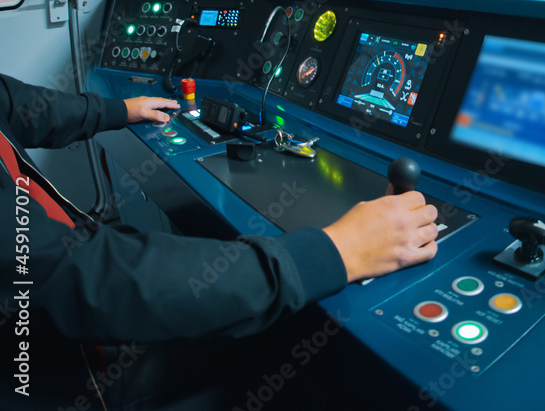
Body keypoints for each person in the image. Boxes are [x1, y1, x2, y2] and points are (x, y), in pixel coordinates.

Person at [0, 72, 438, 409]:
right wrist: (335, 253)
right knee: (295, 340)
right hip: (67, 374)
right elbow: (84, 277)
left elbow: (17, 106)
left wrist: (117, 109)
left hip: (67, 291)